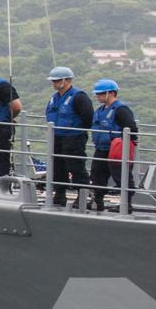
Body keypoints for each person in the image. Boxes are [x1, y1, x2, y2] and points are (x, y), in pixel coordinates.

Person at [44, 67, 93, 207]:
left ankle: (82, 196)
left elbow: (88, 116)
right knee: (57, 166)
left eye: (56, 80)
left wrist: (78, 131)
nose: (53, 83)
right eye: (53, 81)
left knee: (76, 166)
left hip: (74, 137)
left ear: (66, 80)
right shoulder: (55, 97)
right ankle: (60, 194)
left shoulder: (78, 96)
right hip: (57, 136)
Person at [88, 79, 138, 213]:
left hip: (116, 150)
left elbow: (132, 129)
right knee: (97, 175)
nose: (97, 96)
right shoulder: (100, 110)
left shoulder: (121, 109)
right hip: (101, 148)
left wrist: (122, 145)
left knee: (121, 176)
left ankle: (127, 204)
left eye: (100, 93)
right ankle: (97, 201)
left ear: (111, 93)